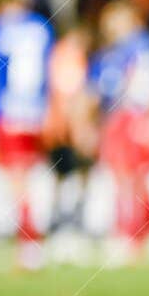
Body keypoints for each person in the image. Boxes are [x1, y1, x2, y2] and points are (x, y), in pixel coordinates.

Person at [0, 0, 54, 272]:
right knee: (32, 178)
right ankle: (36, 239)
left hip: (9, 115)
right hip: (37, 114)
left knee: (17, 183)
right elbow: (51, 73)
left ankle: (29, 243)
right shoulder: (41, 28)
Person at [90, 1, 149, 267]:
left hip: (130, 115)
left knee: (127, 178)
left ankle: (128, 235)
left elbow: (148, 85)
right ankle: (146, 232)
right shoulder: (120, 49)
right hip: (127, 116)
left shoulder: (137, 46)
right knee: (133, 178)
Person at [44, 24, 96, 264]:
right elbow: (72, 97)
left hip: (58, 129)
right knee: (73, 173)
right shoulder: (68, 57)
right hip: (65, 130)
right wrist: (80, 129)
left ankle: (63, 222)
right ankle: (69, 223)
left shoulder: (57, 55)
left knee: (64, 176)